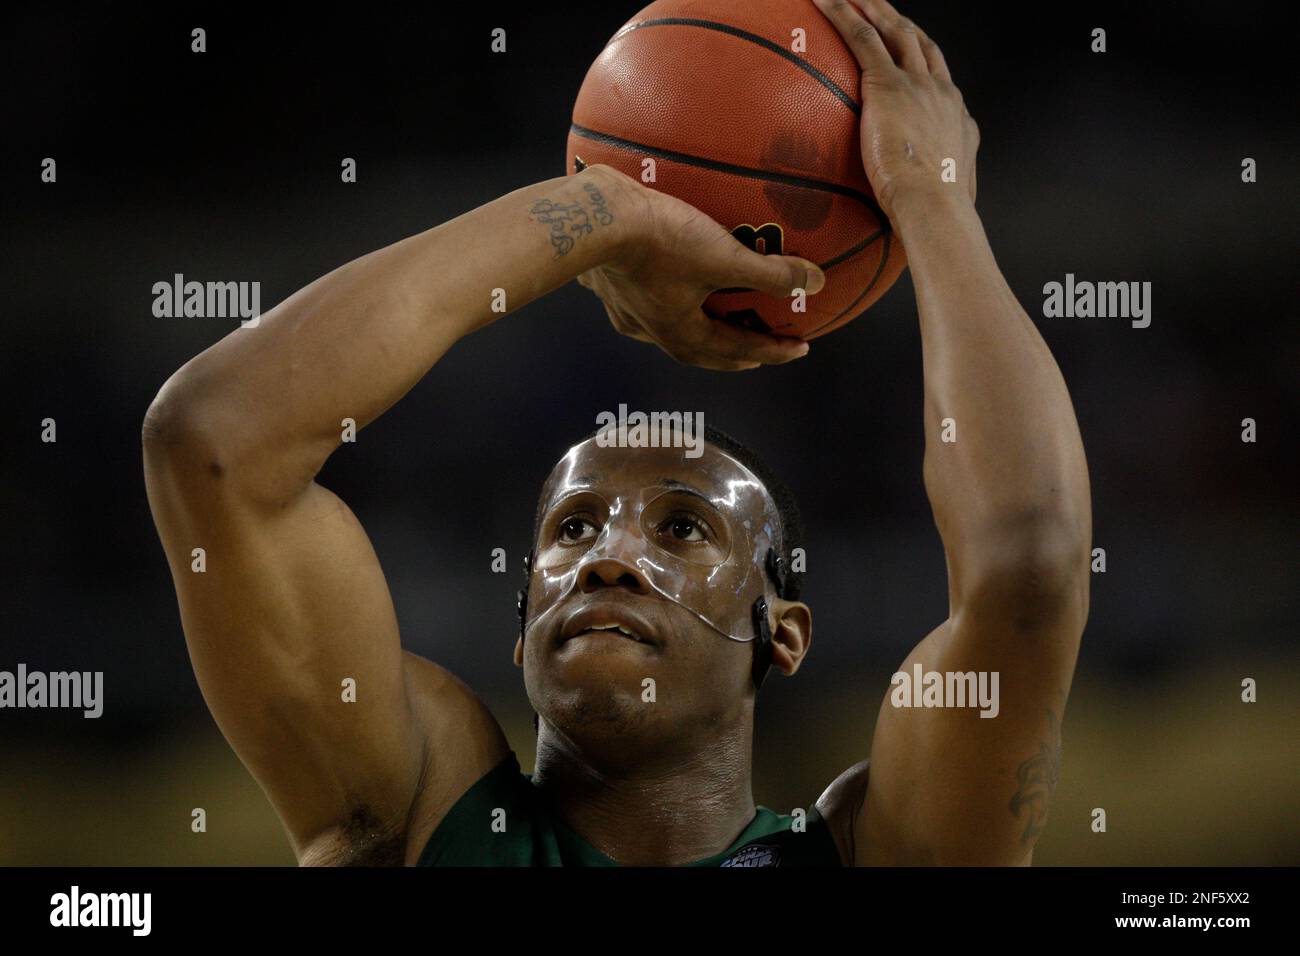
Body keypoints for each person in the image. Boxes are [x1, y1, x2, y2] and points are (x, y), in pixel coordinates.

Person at [142, 0, 1090, 866]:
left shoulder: (867, 854)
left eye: (683, 526)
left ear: (784, 634)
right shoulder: (422, 811)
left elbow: (1032, 572)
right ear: (521, 631)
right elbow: (215, 437)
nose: (608, 559)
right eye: (574, 528)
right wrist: (605, 210)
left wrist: (930, 197)